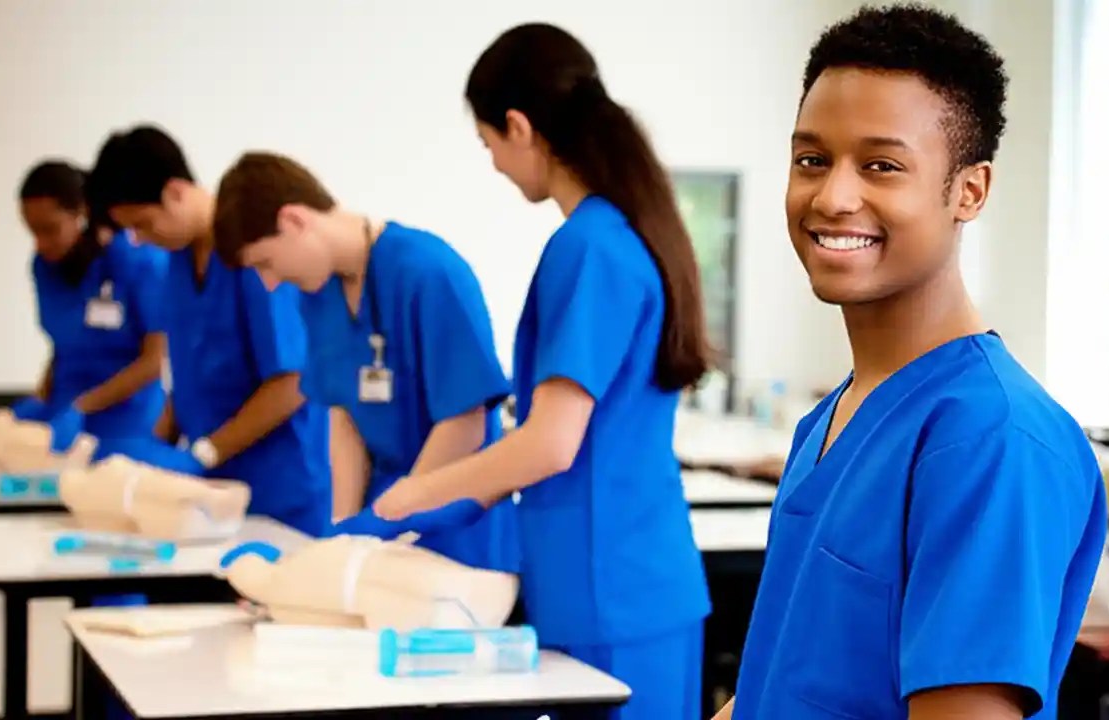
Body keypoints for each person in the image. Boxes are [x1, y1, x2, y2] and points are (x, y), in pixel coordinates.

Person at [715, 5, 1108, 719]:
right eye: (811, 159)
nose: (832, 196)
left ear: (970, 190)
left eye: (881, 166)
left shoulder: (991, 439)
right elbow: (780, 687)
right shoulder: (828, 421)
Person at [371, 23, 712, 720]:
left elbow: (551, 443)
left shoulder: (586, 247)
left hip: (607, 589)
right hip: (631, 579)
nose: (494, 162)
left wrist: (417, 493)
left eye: (489, 142)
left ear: (519, 128)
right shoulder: (624, 234)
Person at [210, 151, 519, 574]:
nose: (269, 282)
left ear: (294, 221)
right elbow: (345, 416)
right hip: (384, 519)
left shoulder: (428, 272)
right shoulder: (318, 297)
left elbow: (465, 418)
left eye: (266, 262)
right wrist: (344, 531)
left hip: (456, 527)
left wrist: (399, 512)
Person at [87, 126, 331, 537]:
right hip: (211, 495)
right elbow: (188, 380)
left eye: (144, 224)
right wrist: (152, 454)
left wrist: (205, 452)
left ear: (176, 192)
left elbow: (292, 382)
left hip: (281, 490)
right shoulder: (177, 263)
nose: (140, 239)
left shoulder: (253, 251)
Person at [12, 160, 168, 453]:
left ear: (81, 214)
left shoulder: (139, 261)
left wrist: (82, 407)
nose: (40, 244)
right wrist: (40, 400)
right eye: (32, 232)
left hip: (128, 428)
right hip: (63, 427)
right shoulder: (46, 268)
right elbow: (64, 346)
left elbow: (155, 361)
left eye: (49, 230)